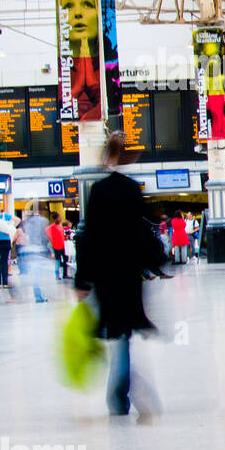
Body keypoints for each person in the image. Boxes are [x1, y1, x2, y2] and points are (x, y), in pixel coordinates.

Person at [74, 131, 164, 419]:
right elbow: (143, 228)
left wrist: (82, 279)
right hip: (128, 274)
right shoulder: (130, 189)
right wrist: (155, 263)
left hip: (105, 275)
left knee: (117, 335)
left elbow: (88, 236)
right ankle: (123, 393)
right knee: (125, 334)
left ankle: (118, 397)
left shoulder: (98, 191)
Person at [16, 206, 51, 303]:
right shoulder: (43, 221)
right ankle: (38, 296)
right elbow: (44, 237)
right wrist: (47, 249)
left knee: (29, 273)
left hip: (27, 249)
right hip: (38, 250)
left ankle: (32, 294)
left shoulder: (26, 222)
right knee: (37, 275)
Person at [47, 212, 70, 280]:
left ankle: (65, 274)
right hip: (56, 246)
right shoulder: (52, 227)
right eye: (59, 217)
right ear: (55, 219)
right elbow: (47, 232)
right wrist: (52, 241)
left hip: (63, 246)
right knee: (58, 261)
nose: (60, 219)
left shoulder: (60, 226)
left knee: (66, 259)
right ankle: (57, 275)